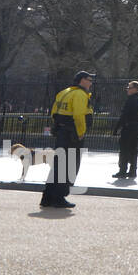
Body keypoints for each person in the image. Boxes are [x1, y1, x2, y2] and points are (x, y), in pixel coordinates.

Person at [39, 71, 95, 208]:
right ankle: (59, 198)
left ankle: (47, 197)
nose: (91, 82)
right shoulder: (80, 94)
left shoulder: (64, 92)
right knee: (69, 166)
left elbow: (54, 112)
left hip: (62, 133)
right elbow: (79, 115)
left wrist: (58, 127)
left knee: (58, 166)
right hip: (73, 135)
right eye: (89, 80)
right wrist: (81, 133)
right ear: (82, 80)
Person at [111, 81, 138, 179]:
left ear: (135, 89)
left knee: (124, 150)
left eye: (129, 88)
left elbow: (124, 115)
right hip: (137, 127)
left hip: (128, 127)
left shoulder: (131, 100)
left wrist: (116, 128)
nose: (127, 89)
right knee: (134, 150)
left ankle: (122, 171)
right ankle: (133, 171)